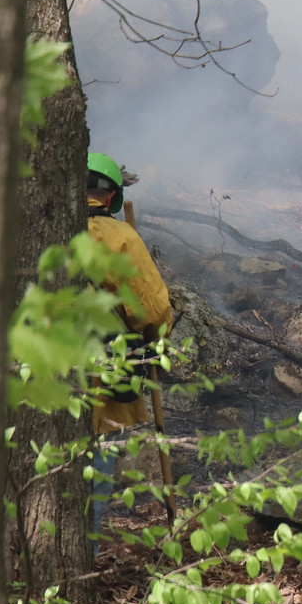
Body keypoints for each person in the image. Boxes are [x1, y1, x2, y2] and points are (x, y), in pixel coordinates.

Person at [85, 152, 173, 536]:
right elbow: (151, 311)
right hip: (102, 376)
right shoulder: (118, 236)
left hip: (33, 376)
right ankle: (80, 562)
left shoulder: (33, 226)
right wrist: (157, 339)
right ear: (109, 198)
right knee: (94, 473)